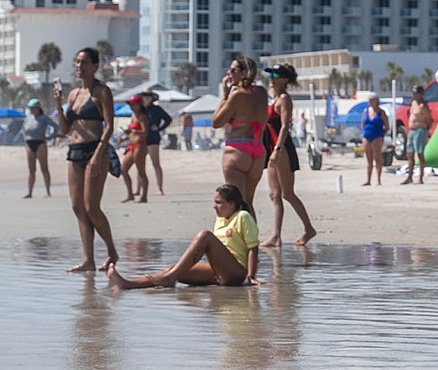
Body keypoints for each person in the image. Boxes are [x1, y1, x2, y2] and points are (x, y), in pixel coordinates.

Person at [107, 184, 260, 290]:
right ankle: (129, 284)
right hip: (217, 271)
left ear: (232, 203)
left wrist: (251, 276)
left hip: (236, 273)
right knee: (173, 269)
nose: (214, 206)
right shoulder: (220, 220)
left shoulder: (243, 216)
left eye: (218, 203)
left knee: (205, 235)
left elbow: (253, 248)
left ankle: (170, 278)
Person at [53, 46, 120, 273]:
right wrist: (59, 107)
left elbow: (109, 126)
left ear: (95, 66)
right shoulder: (73, 94)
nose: (79, 66)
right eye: (77, 62)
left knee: (92, 207)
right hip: (75, 151)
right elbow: (65, 129)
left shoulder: (102, 92)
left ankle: (111, 251)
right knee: (77, 207)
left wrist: (98, 154)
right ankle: (88, 260)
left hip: (95, 150)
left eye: (84, 62)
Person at [262, 63, 317, 249]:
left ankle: (309, 229)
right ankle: (276, 236)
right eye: (271, 75)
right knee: (274, 194)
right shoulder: (271, 97)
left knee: (287, 193)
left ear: (285, 80)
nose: (272, 78)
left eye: (276, 75)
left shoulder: (284, 99)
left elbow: (285, 126)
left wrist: (277, 150)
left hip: (282, 147)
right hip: (270, 147)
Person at [215, 55, 269, 218]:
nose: (228, 73)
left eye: (233, 70)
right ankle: (252, 235)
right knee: (248, 203)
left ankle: (237, 235)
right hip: (258, 150)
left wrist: (225, 95)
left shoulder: (237, 95)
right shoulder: (261, 92)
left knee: (236, 204)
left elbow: (216, 122)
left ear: (244, 73)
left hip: (237, 151)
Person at [20, 98, 54, 198]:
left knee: (44, 168)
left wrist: (50, 136)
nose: (32, 110)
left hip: (40, 143)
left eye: (33, 108)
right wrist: (25, 140)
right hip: (29, 143)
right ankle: (30, 192)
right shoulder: (28, 118)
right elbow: (23, 130)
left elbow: (55, 127)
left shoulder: (44, 118)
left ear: (38, 108)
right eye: (30, 108)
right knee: (31, 170)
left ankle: (48, 192)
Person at [402, 87, 435, 185]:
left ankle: (420, 177)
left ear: (421, 94)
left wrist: (426, 129)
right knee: (409, 154)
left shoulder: (422, 106)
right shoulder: (413, 103)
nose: (414, 95)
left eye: (416, 93)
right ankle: (410, 176)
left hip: (420, 130)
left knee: (420, 154)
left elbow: (430, 119)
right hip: (412, 131)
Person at [140, 91, 170, 196]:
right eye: (145, 96)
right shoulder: (140, 109)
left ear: (152, 98)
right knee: (140, 164)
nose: (146, 98)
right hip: (141, 138)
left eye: (149, 96)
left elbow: (168, 119)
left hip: (153, 138)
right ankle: (138, 189)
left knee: (156, 163)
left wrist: (159, 128)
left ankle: (159, 188)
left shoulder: (156, 109)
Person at [359, 93, 390, 186]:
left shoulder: (381, 112)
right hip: (367, 135)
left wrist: (381, 135)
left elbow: (387, 126)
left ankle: (378, 180)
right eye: (370, 100)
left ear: (377, 100)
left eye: (372, 100)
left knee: (377, 157)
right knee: (369, 159)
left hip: (377, 136)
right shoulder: (366, 111)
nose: (371, 102)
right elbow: (363, 123)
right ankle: (368, 180)